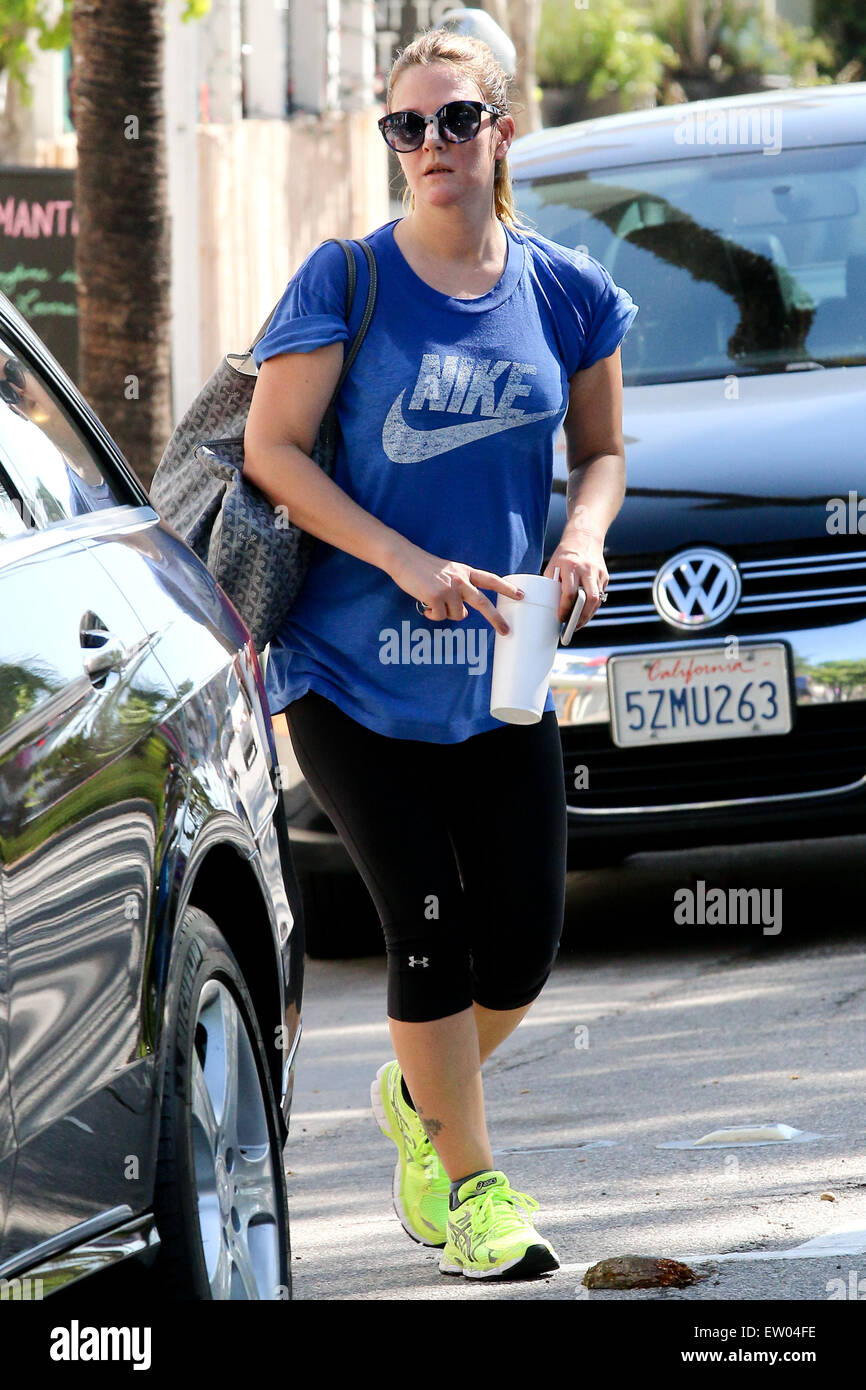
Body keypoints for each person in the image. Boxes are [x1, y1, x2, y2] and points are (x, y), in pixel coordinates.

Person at [243, 26, 638, 1281]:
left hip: (503, 667)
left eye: (452, 120)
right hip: (353, 675)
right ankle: (473, 1194)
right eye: (403, 128)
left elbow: (604, 454)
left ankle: (418, 1102)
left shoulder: (566, 291)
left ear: (500, 131)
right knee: (427, 927)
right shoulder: (345, 281)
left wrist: (582, 537)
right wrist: (402, 559)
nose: (428, 147)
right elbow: (274, 451)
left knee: (518, 942)